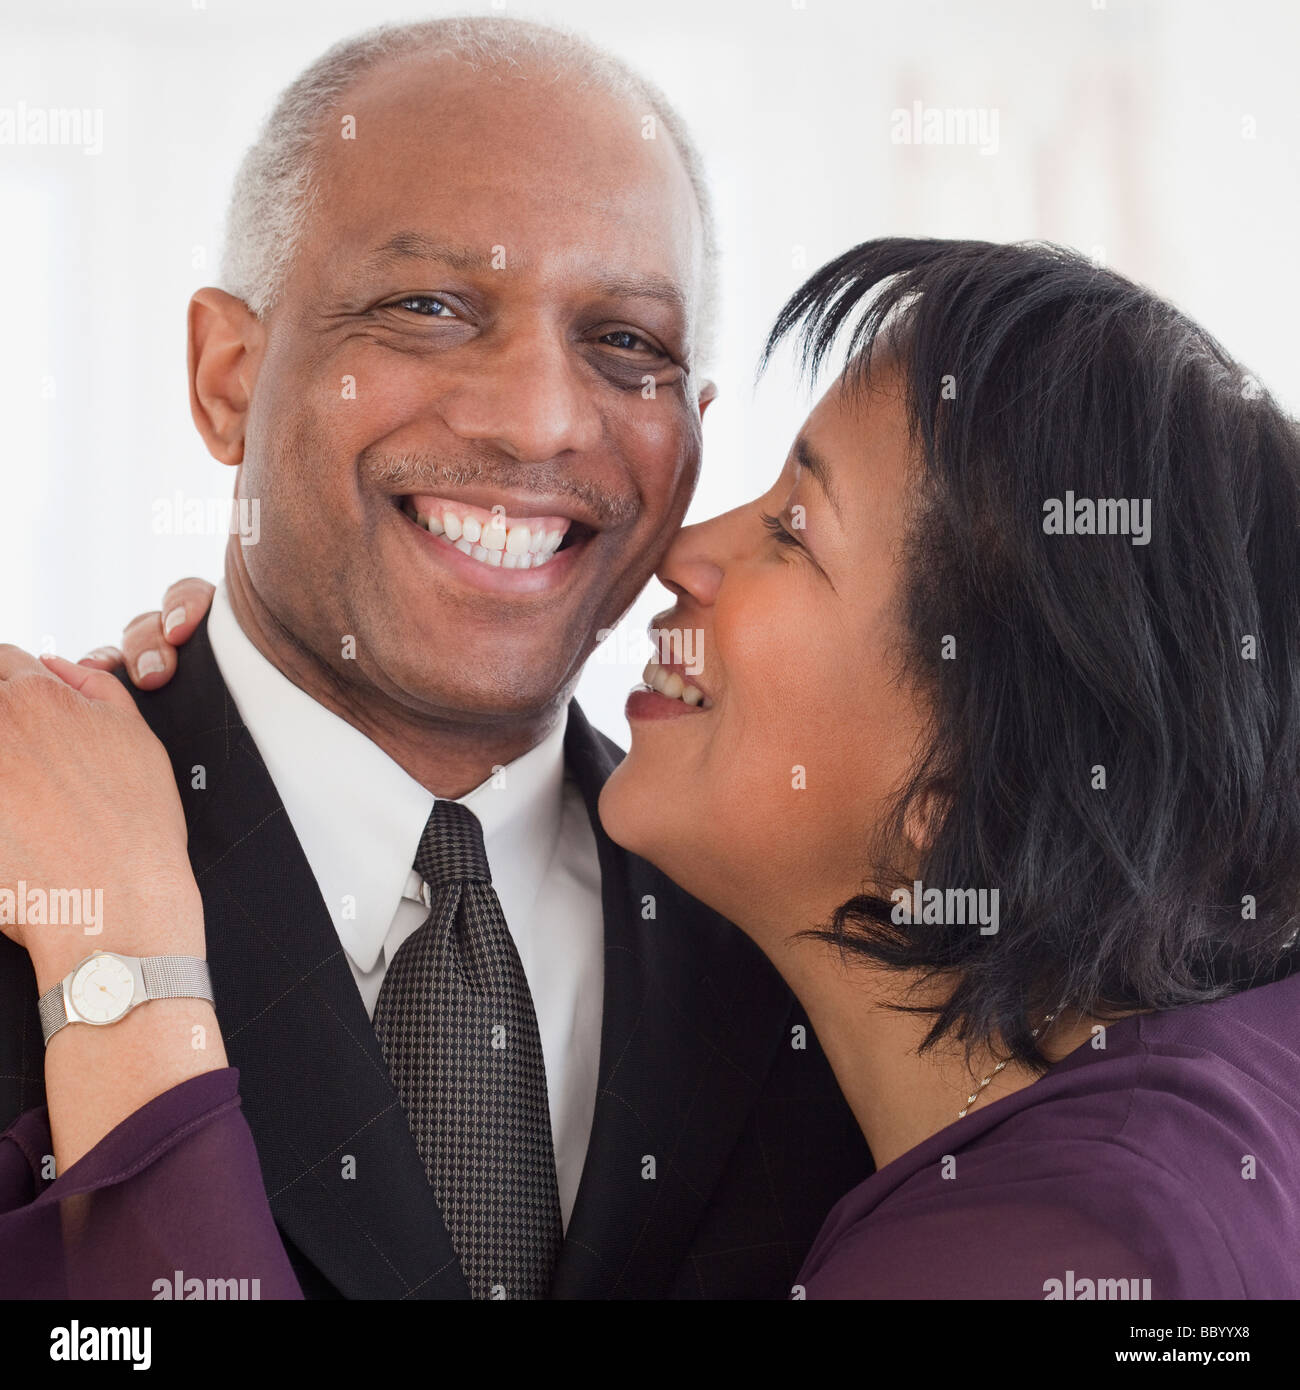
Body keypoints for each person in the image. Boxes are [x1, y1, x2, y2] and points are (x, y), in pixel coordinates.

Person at [116, 236, 1300, 1299]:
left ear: (967, 797)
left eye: (794, 530)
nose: (679, 548)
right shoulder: (1212, 1057)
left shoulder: (1054, 1250)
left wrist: (119, 970)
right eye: (425, 306)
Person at [0, 17, 868, 1301]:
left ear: (693, 432)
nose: (536, 419)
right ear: (228, 378)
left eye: (626, 341)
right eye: (427, 308)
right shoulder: (31, 842)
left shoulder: (812, 958)